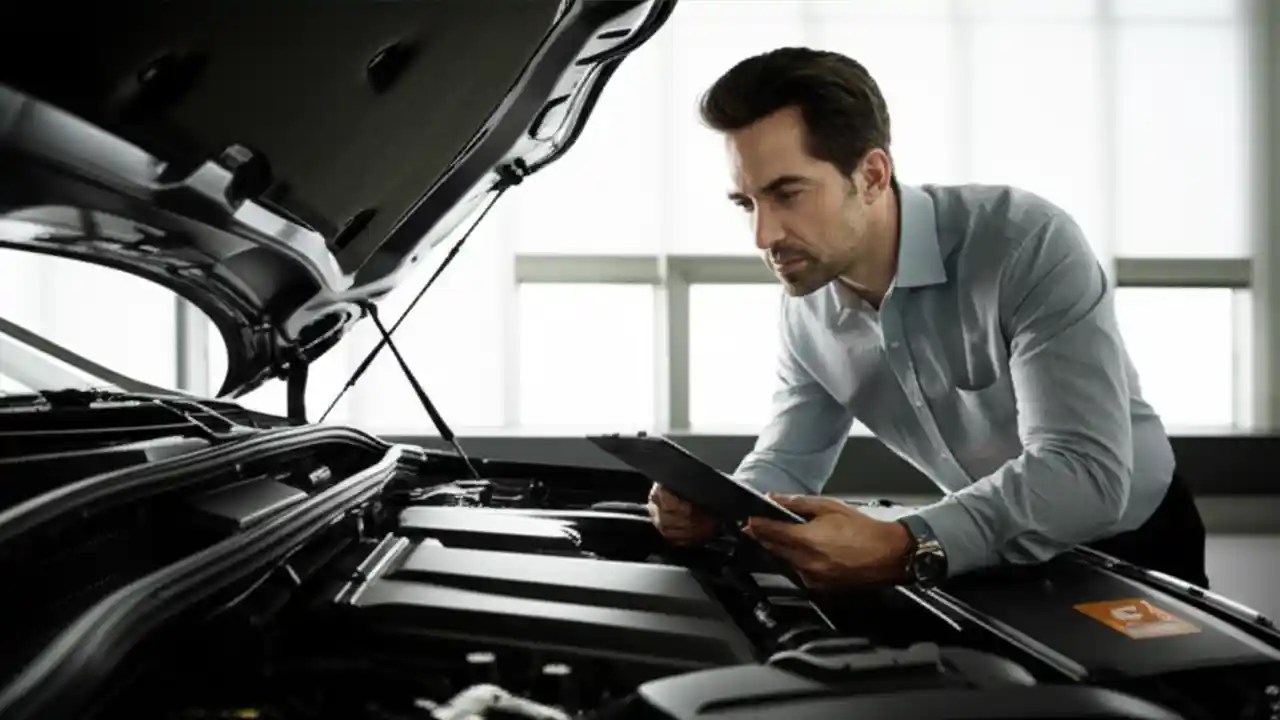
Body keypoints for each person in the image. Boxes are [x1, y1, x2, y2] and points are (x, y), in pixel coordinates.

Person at [647, 47, 1209, 590]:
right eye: (747, 204)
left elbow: (1084, 474)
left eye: (787, 194)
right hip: (985, 547)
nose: (763, 236)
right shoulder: (806, 304)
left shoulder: (1024, 242)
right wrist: (721, 506)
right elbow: (789, 460)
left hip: (1134, 541)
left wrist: (902, 544)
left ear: (871, 175)